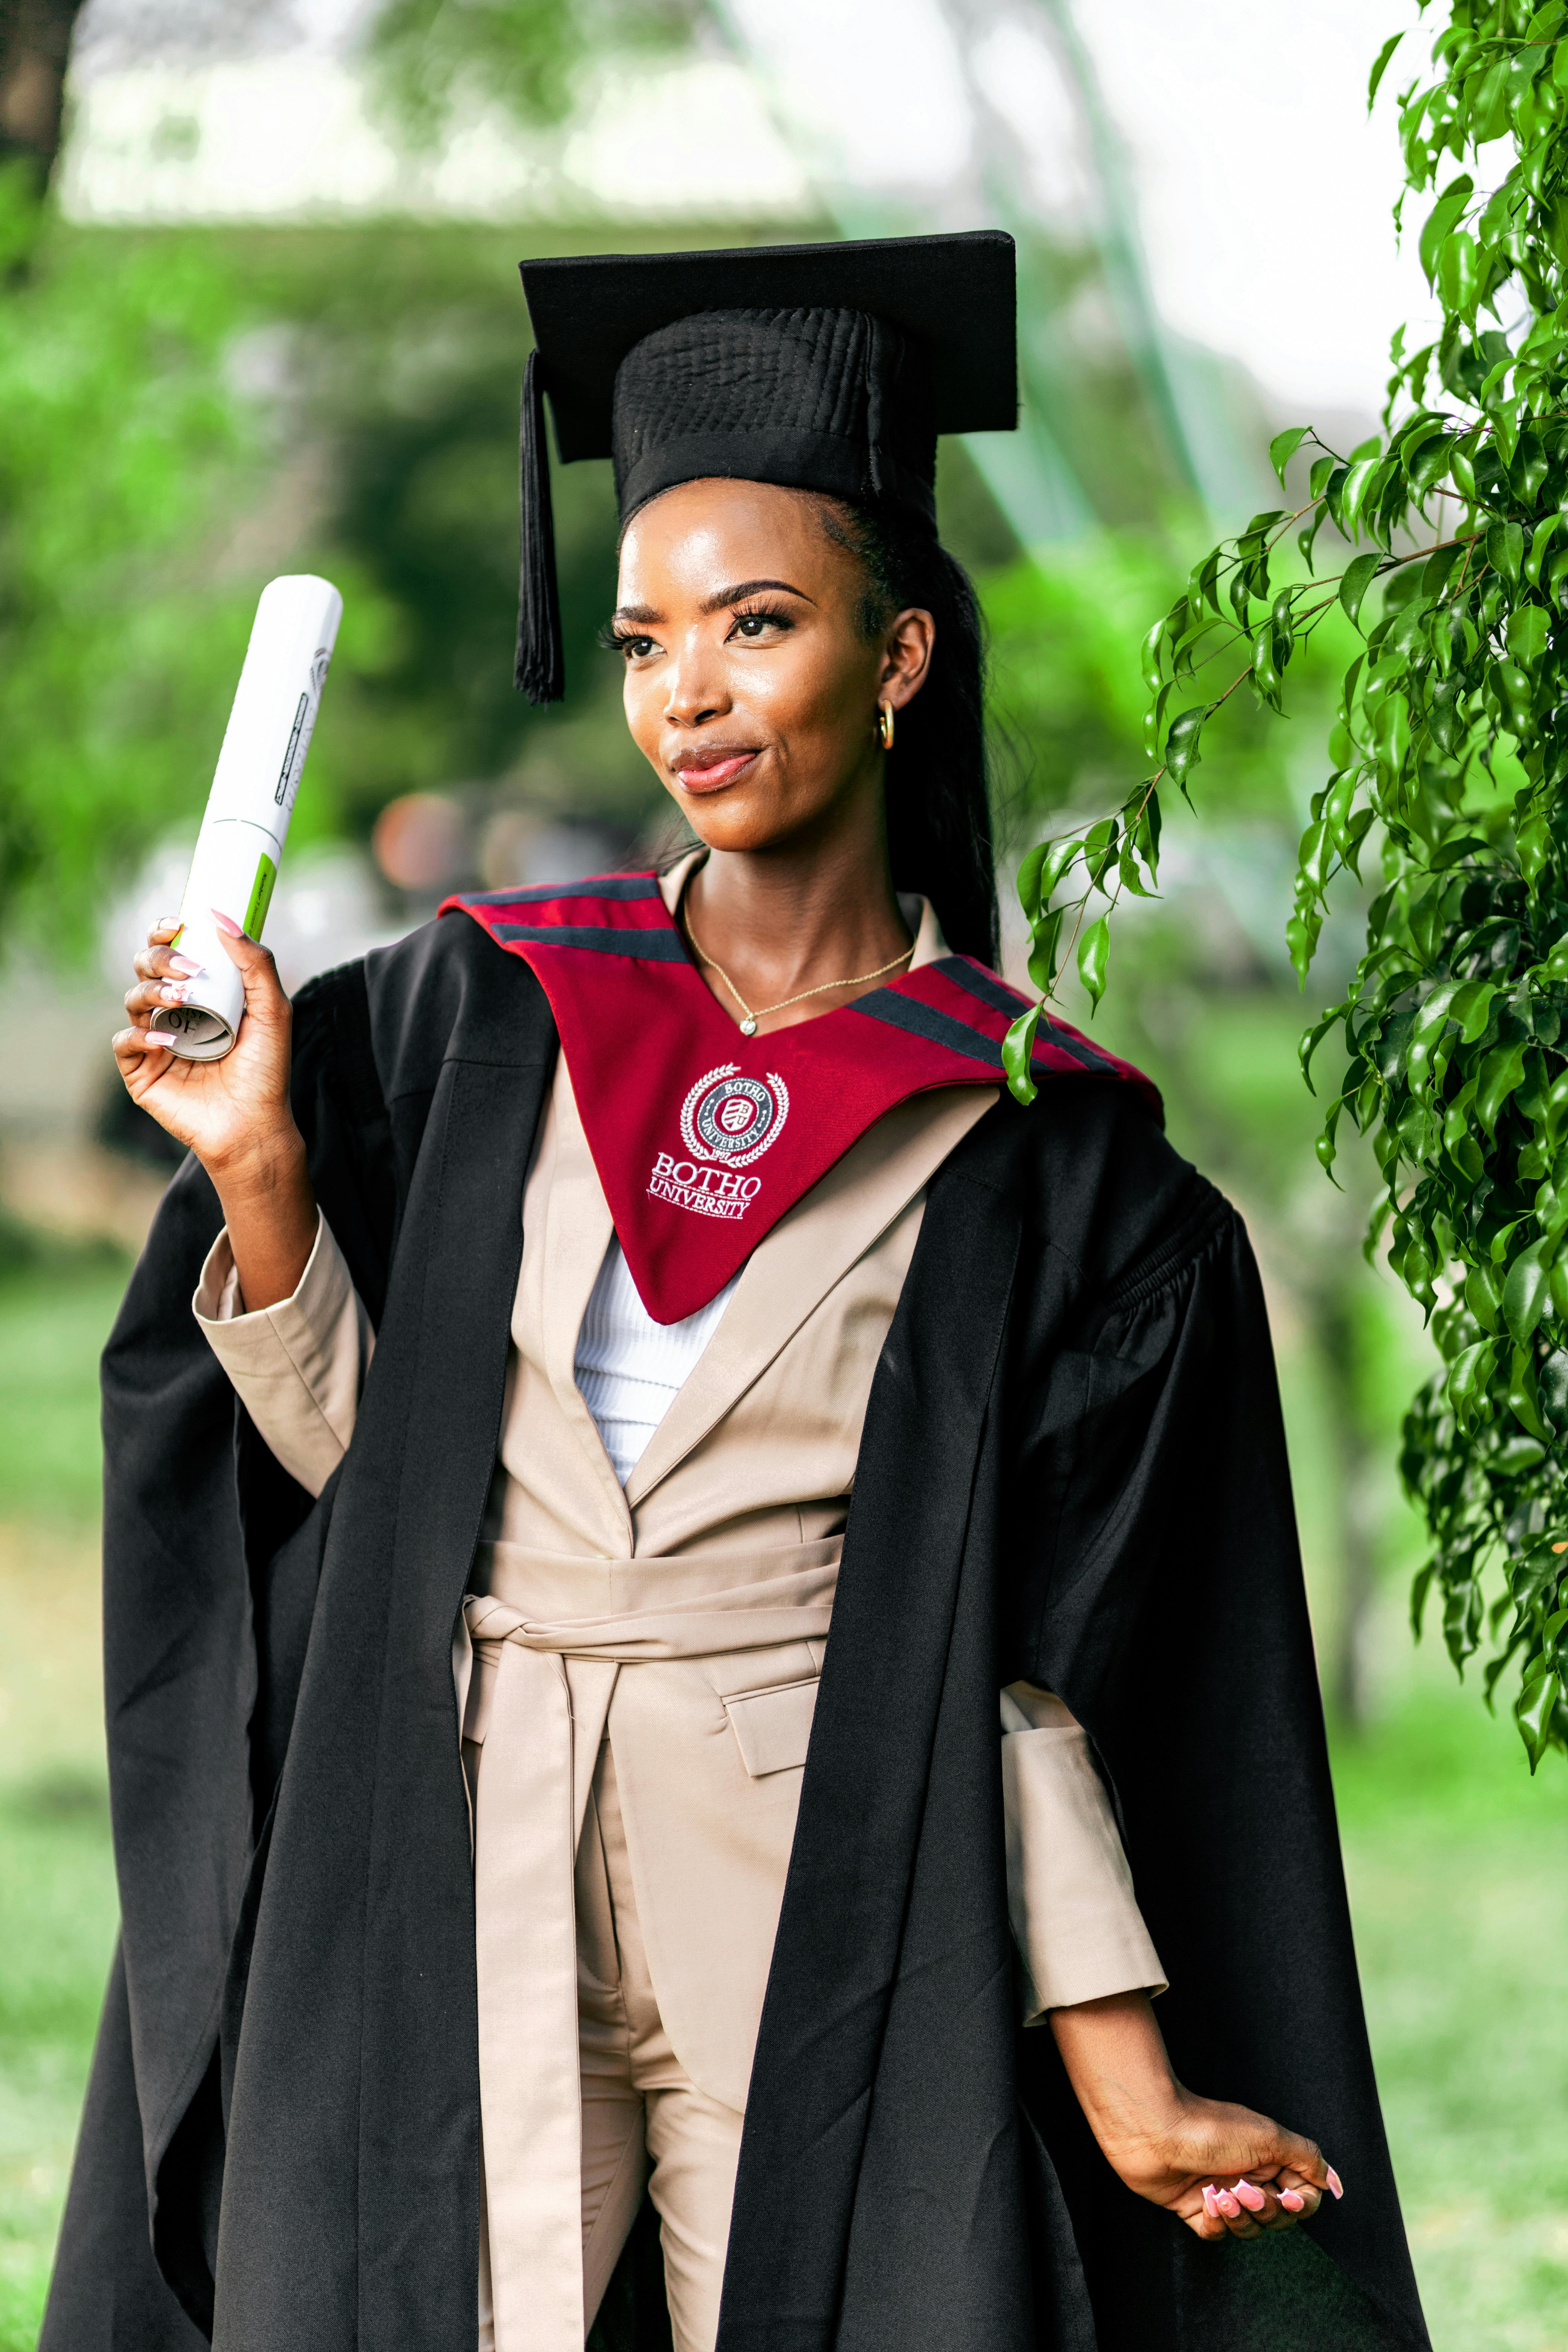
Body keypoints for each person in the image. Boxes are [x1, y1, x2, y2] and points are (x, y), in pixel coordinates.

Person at [45, 233, 1429, 2352]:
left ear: (898, 657)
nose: (686, 692)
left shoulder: (1036, 1148)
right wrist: (256, 1171)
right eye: (643, 639)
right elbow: (382, 1487)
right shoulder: (472, 1021)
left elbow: (1019, 1671)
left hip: (821, 1874)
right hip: (479, 1825)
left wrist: (1121, 2064)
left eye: (756, 623)